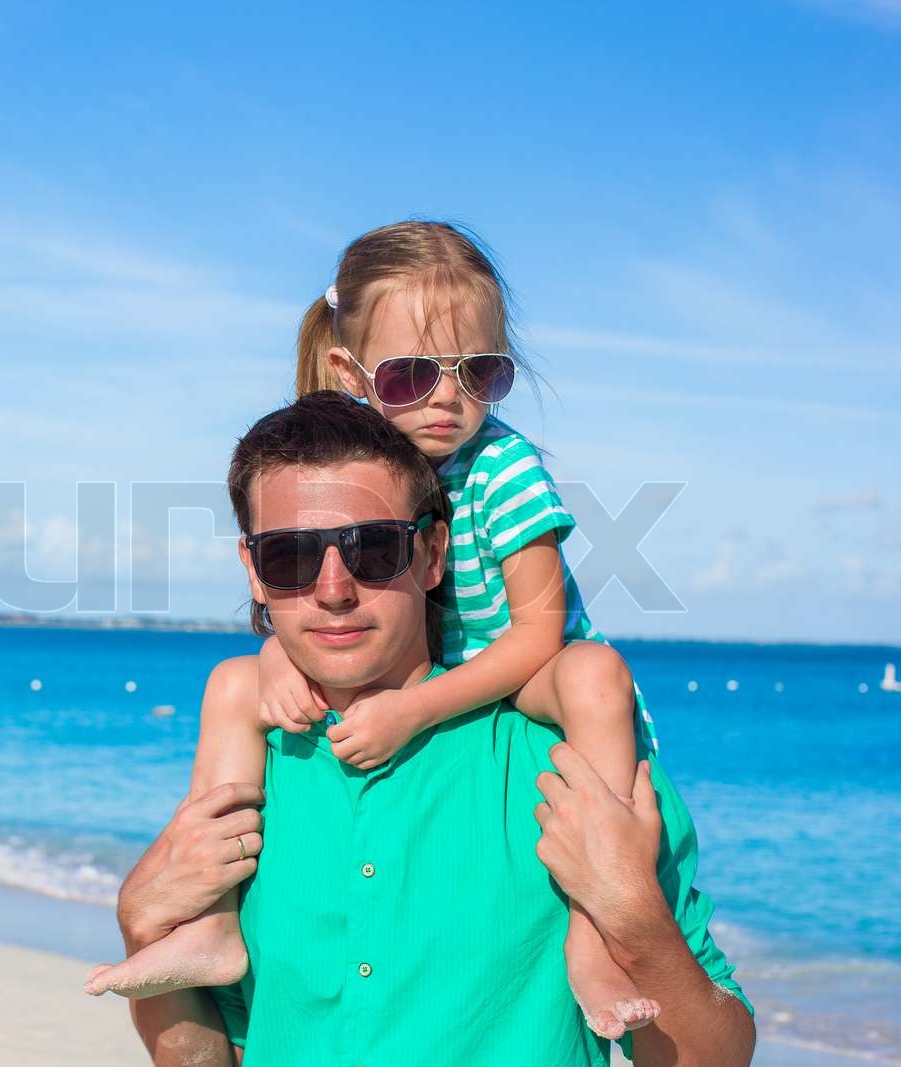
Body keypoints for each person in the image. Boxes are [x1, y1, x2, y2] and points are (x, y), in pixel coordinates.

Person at [88, 221, 660, 1040]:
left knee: (598, 674)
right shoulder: (365, 465)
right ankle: (207, 916)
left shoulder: (504, 468)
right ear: (352, 374)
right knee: (228, 686)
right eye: (410, 375)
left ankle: (596, 932)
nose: (448, 399)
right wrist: (274, 650)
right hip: (446, 662)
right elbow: (324, 583)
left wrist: (413, 710)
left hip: (523, 667)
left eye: (482, 372)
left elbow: (540, 634)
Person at [113, 392, 755, 1065]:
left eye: (374, 548)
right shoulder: (247, 763)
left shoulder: (571, 770)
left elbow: (720, 1054)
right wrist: (144, 928)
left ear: (432, 554)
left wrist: (637, 923)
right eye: (290, 557)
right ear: (254, 572)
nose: (334, 589)